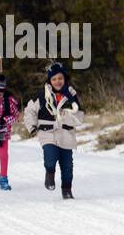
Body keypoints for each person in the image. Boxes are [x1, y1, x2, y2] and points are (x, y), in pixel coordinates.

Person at [23, 61, 84, 199]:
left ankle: (67, 190)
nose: (58, 81)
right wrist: (32, 126)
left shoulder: (71, 96)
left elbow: (80, 116)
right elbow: (29, 111)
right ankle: (49, 173)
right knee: (50, 157)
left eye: (60, 78)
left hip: (66, 134)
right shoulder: (41, 96)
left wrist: (68, 116)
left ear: (65, 79)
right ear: (50, 80)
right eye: (54, 79)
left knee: (67, 166)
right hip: (48, 133)